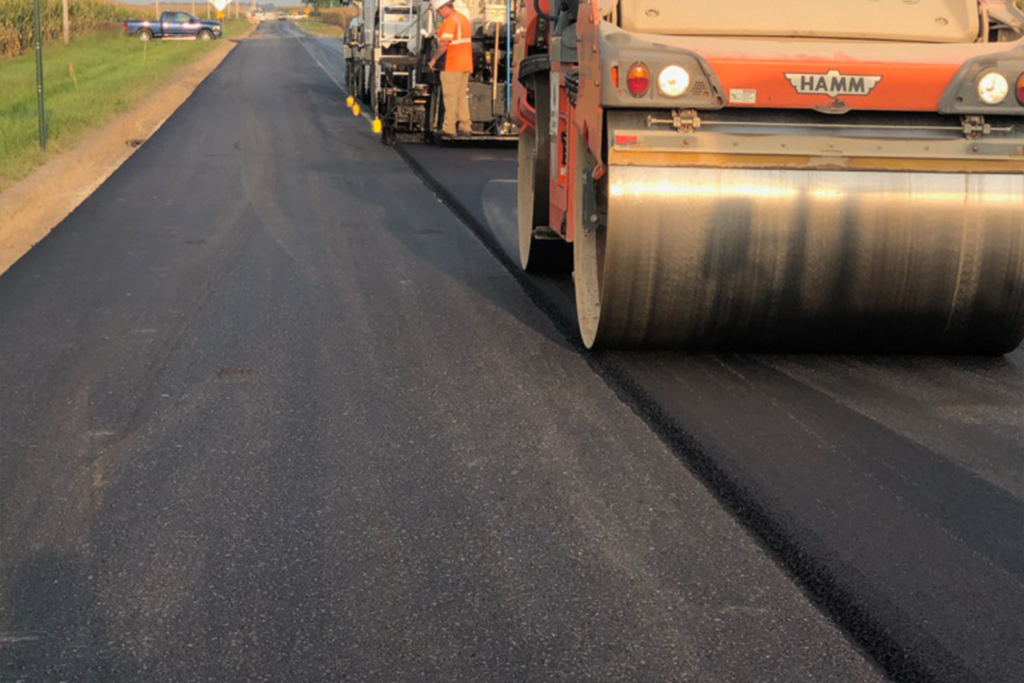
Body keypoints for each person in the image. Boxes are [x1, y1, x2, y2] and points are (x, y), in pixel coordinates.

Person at [428, 0, 473, 137]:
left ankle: (449, 128)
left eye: (439, 11)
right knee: (461, 96)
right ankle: (465, 126)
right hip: (465, 64)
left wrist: (434, 60)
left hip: (452, 64)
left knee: (450, 97)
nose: (439, 14)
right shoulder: (462, 19)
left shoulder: (450, 22)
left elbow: (444, 45)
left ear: (444, 7)